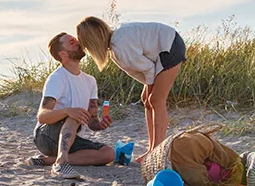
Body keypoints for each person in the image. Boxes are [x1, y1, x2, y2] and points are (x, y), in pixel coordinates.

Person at [76, 16, 186, 162]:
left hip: (169, 47)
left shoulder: (120, 44)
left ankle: (157, 151)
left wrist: (151, 89)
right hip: (163, 49)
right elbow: (141, 71)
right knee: (147, 100)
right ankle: (152, 149)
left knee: (156, 100)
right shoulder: (116, 47)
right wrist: (148, 89)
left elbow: (147, 68)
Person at [30, 32, 115, 179]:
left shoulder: (90, 81)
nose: (78, 42)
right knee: (75, 113)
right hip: (46, 136)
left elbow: (92, 122)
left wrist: (100, 124)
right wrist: (68, 111)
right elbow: (42, 116)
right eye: (72, 42)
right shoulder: (57, 78)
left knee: (109, 154)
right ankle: (61, 164)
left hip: (72, 138)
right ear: (63, 53)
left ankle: (47, 161)